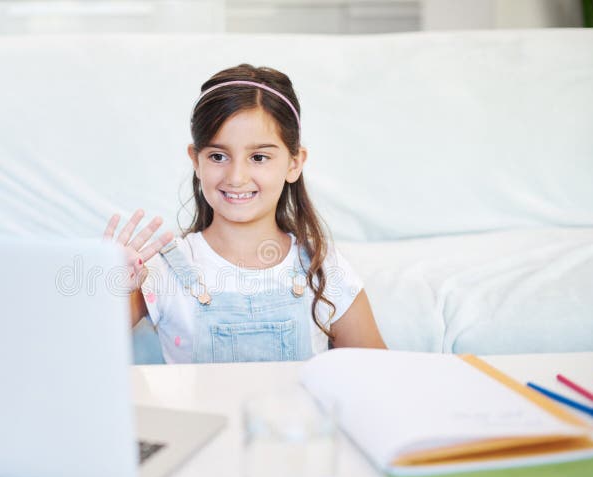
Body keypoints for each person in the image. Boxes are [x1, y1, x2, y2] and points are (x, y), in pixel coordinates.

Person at [103, 64, 386, 364]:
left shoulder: (322, 268)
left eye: (259, 157)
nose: (236, 177)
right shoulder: (162, 271)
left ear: (294, 163)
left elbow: (379, 375)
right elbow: (81, 351)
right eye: (218, 156)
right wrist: (110, 286)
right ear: (196, 161)